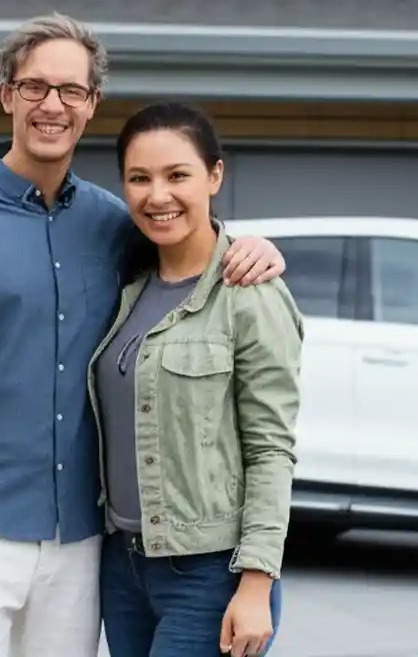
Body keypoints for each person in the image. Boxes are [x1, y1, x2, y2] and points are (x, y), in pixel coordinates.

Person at [0, 13, 287, 657]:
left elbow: (186, 251)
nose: (52, 105)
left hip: (80, 544)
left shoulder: (113, 224)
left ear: (92, 104)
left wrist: (254, 246)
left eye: (72, 90)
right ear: (7, 94)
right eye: (35, 87)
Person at [89, 102, 303, 657]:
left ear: (214, 175)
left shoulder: (249, 291)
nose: (157, 195)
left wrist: (258, 580)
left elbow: (271, 448)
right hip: (123, 567)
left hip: (211, 573)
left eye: (177, 175)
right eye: (139, 178)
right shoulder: (125, 283)